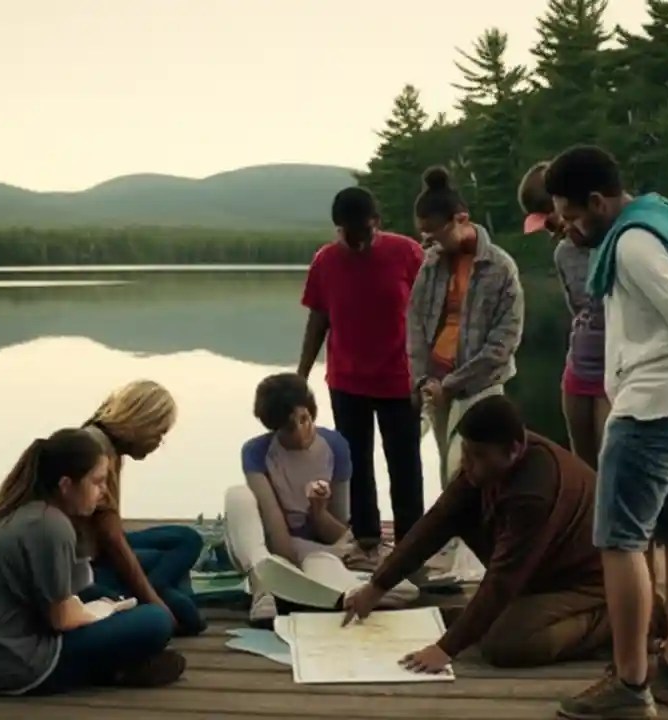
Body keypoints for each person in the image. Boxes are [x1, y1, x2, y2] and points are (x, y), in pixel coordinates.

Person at [542, 146, 668, 720]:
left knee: (620, 541)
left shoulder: (630, 242)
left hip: (656, 407)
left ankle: (630, 683)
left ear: (599, 202)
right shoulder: (663, 215)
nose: (570, 227)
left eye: (574, 214)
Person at [342, 395, 610, 671]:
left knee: (504, 644)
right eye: (465, 452)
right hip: (538, 574)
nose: (467, 463)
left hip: (585, 584)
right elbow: (436, 522)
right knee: (461, 513)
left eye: (478, 455)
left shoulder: (533, 493)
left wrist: (445, 649)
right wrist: (377, 587)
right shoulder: (486, 465)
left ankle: (611, 621)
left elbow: (503, 580)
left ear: (514, 450)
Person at [0, 428, 185, 695]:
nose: (104, 494)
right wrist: (102, 612)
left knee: (114, 600)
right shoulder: (48, 525)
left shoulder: (27, 513)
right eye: (97, 483)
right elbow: (62, 619)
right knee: (156, 620)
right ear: (66, 486)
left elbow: (67, 593)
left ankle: (116, 666)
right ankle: (113, 669)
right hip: (17, 666)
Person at [222, 373, 419, 623]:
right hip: (263, 547)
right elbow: (277, 535)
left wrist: (318, 511)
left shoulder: (335, 446)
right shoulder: (256, 451)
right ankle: (264, 587)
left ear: (311, 411)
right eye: (288, 428)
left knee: (405, 590)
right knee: (238, 496)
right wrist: (284, 567)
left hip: (314, 550)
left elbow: (337, 533)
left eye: (304, 420)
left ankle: (310, 591)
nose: (300, 433)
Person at [297, 186, 427, 564]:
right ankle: (367, 539)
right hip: (347, 379)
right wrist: (301, 374)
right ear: (337, 229)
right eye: (346, 235)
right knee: (354, 463)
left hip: (399, 378)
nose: (355, 243)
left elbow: (430, 312)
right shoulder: (325, 261)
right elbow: (318, 319)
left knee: (404, 462)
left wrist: (433, 367)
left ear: (377, 223)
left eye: (363, 234)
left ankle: (411, 543)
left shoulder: (406, 253)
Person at [408, 166, 524, 579]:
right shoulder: (432, 266)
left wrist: (451, 384)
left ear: (461, 219)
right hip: (436, 385)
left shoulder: (501, 268)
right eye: (425, 236)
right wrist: (423, 380)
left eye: (436, 234)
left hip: (478, 386)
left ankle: (480, 561)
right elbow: (417, 328)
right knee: (449, 472)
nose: (431, 243)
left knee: (472, 468)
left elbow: (503, 344)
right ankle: (460, 551)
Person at [78, 380, 207, 637]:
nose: (158, 442)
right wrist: (152, 599)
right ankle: (160, 590)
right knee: (190, 618)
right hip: (89, 566)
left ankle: (161, 584)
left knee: (188, 538)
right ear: (140, 423)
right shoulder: (97, 452)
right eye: (158, 433)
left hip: (101, 552)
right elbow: (113, 542)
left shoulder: (107, 446)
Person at [518, 161, 609, 469]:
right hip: (580, 367)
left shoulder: (617, 243)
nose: (553, 231)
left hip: (618, 370)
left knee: (612, 466)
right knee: (583, 469)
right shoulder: (564, 254)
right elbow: (579, 311)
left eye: (552, 221)